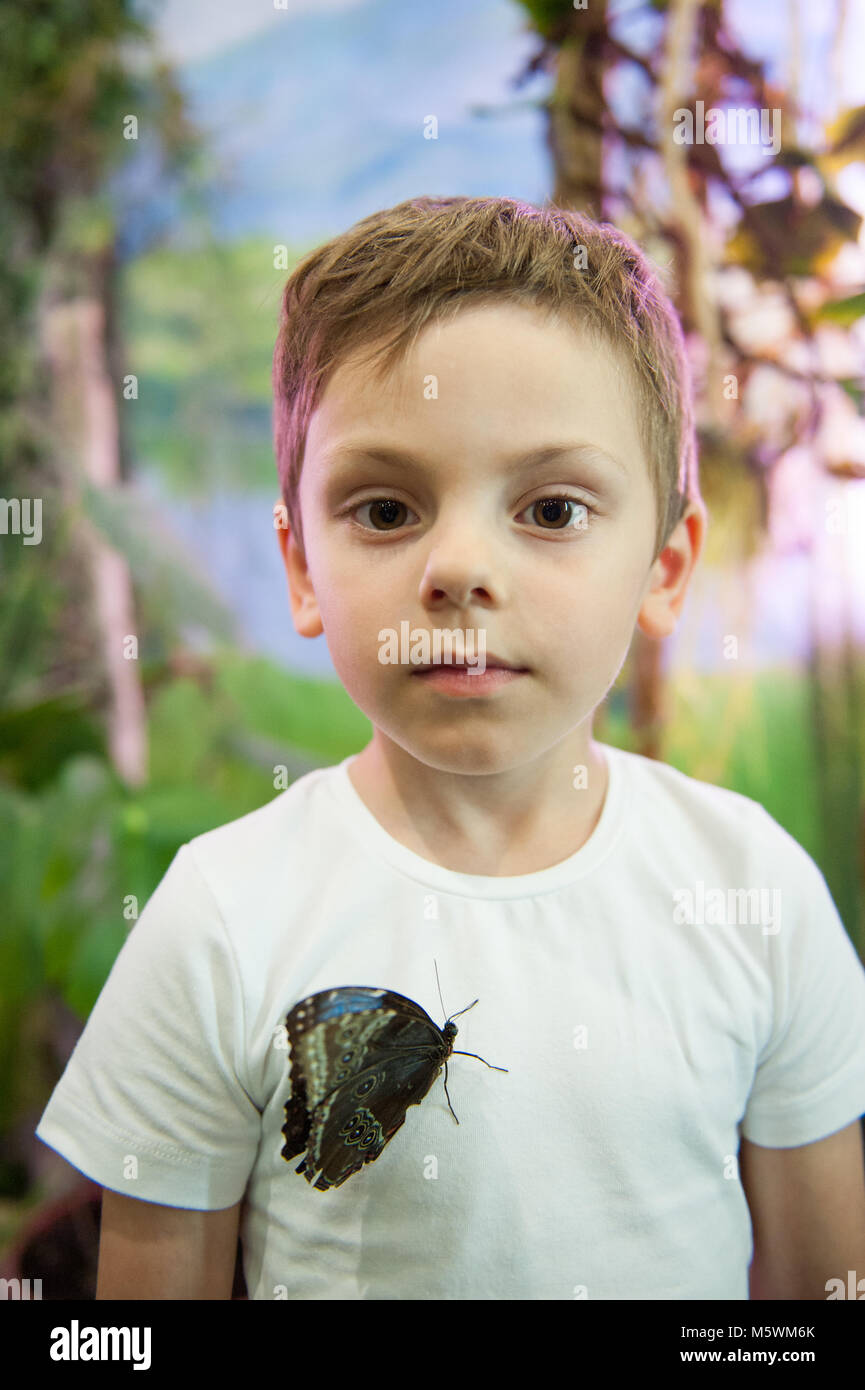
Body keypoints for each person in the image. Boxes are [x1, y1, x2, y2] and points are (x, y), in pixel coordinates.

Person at [36, 196, 865, 1300]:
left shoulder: (752, 889)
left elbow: (819, 1290)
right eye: (384, 510)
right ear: (300, 570)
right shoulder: (220, 915)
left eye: (554, 509)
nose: (460, 566)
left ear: (665, 567)